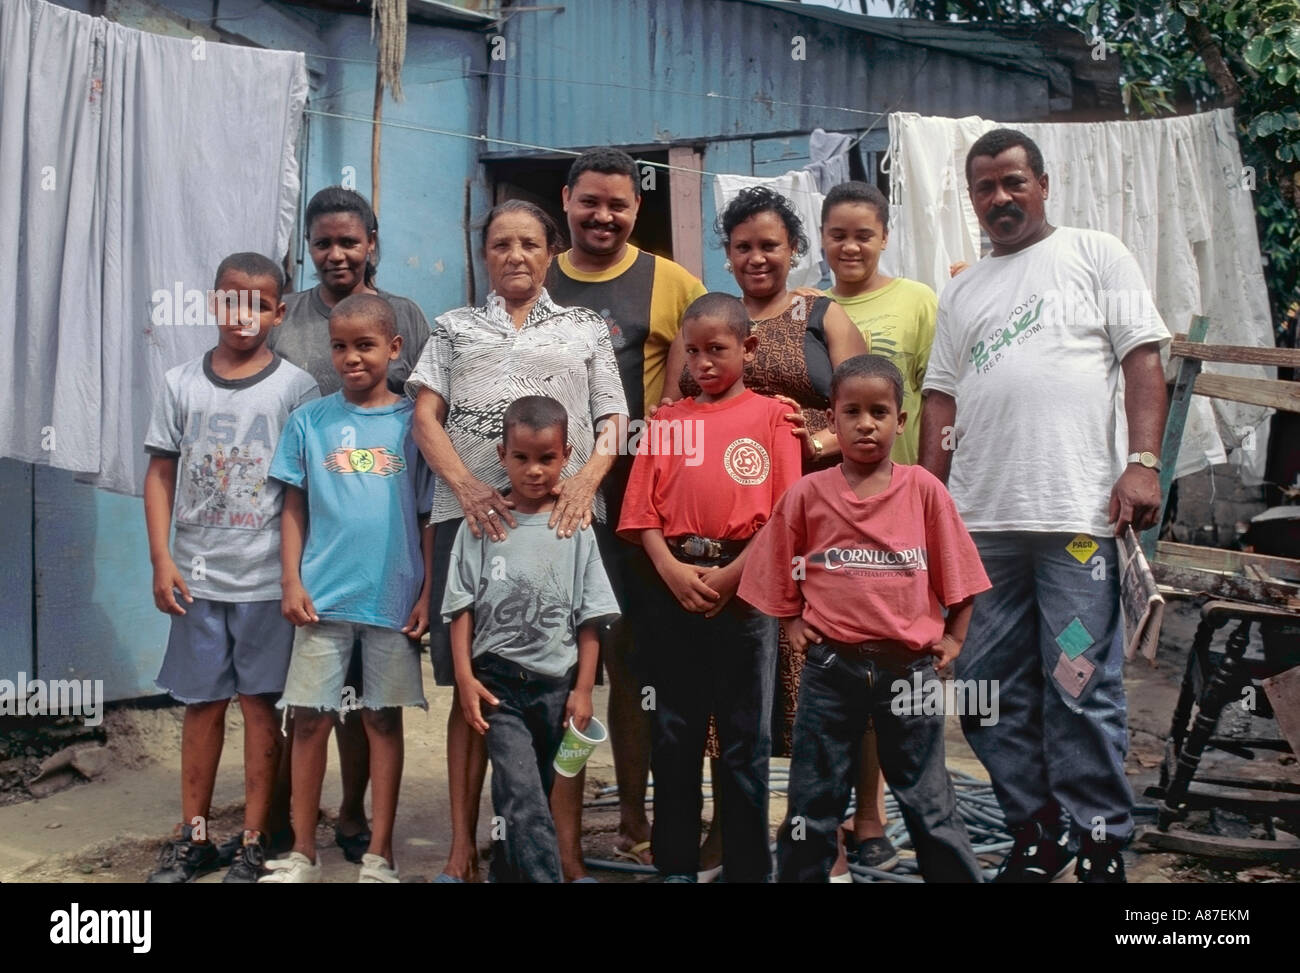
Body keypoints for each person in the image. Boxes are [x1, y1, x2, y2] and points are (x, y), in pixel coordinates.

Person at [919, 128, 1170, 883]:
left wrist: (1143, 463)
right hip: (979, 528)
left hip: (1077, 525)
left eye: (1013, 182)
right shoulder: (961, 289)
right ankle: (1036, 832)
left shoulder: (1097, 254)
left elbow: (1143, 362)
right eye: (984, 188)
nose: (999, 198)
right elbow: (939, 401)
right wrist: (925, 506)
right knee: (988, 691)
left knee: (1076, 681)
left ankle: (1098, 843)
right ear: (971, 199)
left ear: (1044, 182)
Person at [409, 199, 627, 883]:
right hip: (473, 524)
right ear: (484, 253)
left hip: (562, 527)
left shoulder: (585, 328)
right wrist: (469, 488)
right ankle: (461, 848)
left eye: (530, 243)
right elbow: (424, 416)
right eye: (501, 244)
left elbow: (615, 419)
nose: (516, 256)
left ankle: (560, 850)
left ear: (549, 250)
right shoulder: (452, 328)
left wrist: (587, 483)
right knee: (472, 689)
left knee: (563, 689)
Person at [663, 185, 867, 879]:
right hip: (732, 533)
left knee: (812, 681)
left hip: (817, 520)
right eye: (743, 246)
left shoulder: (823, 316)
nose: (757, 257)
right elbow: (672, 416)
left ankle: (823, 839)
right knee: (731, 697)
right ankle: (732, 834)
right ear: (727, 253)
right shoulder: (705, 324)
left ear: (793, 249)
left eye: (770, 245)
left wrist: (797, 433)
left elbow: (868, 406)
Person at [740, 354, 989, 883]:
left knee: (928, 797)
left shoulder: (923, 490)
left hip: (910, 671)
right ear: (831, 419)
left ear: (901, 421)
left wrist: (954, 639)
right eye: (851, 411)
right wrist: (792, 623)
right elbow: (775, 569)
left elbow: (960, 574)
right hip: (832, 669)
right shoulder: (809, 494)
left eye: (880, 411)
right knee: (813, 800)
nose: (866, 424)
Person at [545, 147, 706, 870]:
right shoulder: (537, 278)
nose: (604, 216)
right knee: (556, 664)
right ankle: (549, 824)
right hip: (549, 508)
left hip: (645, 510)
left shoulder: (672, 283)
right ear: (566, 200)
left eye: (618, 204)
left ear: (637, 210)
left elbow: (701, 387)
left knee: (640, 667)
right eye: (590, 202)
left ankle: (638, 820)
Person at [143, 252, 319, 883]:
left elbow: (299, 492)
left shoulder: (296, 388)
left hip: (266, 579)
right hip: (196, 576)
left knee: (258, 705)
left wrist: (294, 576)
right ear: (214, 304)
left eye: (259, 302)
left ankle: (252, 840)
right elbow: (160, 472)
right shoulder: (179, 383)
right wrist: (162, 559)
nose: (244, 314)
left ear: (277, 311)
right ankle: (194, 836)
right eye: (231, 300)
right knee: (202, 704)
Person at [267, 186, 430, 863]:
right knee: (306, 709)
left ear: (371, 240)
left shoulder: (409, 323)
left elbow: (423, 463)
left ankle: (364, 827)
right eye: (322, 243)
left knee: (374, 713)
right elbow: (293, 496)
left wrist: (427, 587)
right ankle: (290, 837)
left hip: (388, 577)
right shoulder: (289, 327)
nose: (336, 253)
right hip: (320, 560)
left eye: (348, 241)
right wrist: (289, 571)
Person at [618, 292, 801, 883]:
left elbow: (785, 515)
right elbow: (642, 514)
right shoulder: (667, 423)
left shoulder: (775, 418)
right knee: (676, 730)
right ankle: (676, 863)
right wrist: (672, 572)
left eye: (717, 350)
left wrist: (732, 573)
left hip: (745, 592)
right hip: (675, 587)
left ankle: (748, 868)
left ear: (747, 348)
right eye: (691, 352)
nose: (703, 363)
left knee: (745, 736)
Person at [443, 396, 620, 882]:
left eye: (547, 458)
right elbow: (460, 608)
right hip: (498, 686)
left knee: (536, 793)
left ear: (566, 458)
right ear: (502, 455)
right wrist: (464, 678)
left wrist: (583, 689)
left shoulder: (575, 527)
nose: (534, 470)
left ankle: (509, 869)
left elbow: (591, 618)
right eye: (521, 458)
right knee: (520, 790)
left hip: (558, 688)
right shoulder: (482, 525)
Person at [820, 179, 940, 873]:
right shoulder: (815, 308)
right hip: (835, 514)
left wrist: (926, 489)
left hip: (900, 517)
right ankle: (829, 817)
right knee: (838, 674)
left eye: (864, 233)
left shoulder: (917, 301)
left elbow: (937, 395)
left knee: (891, 672)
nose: (851, 245)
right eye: (838, 233)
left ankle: (876, 818)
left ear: (885, 235)